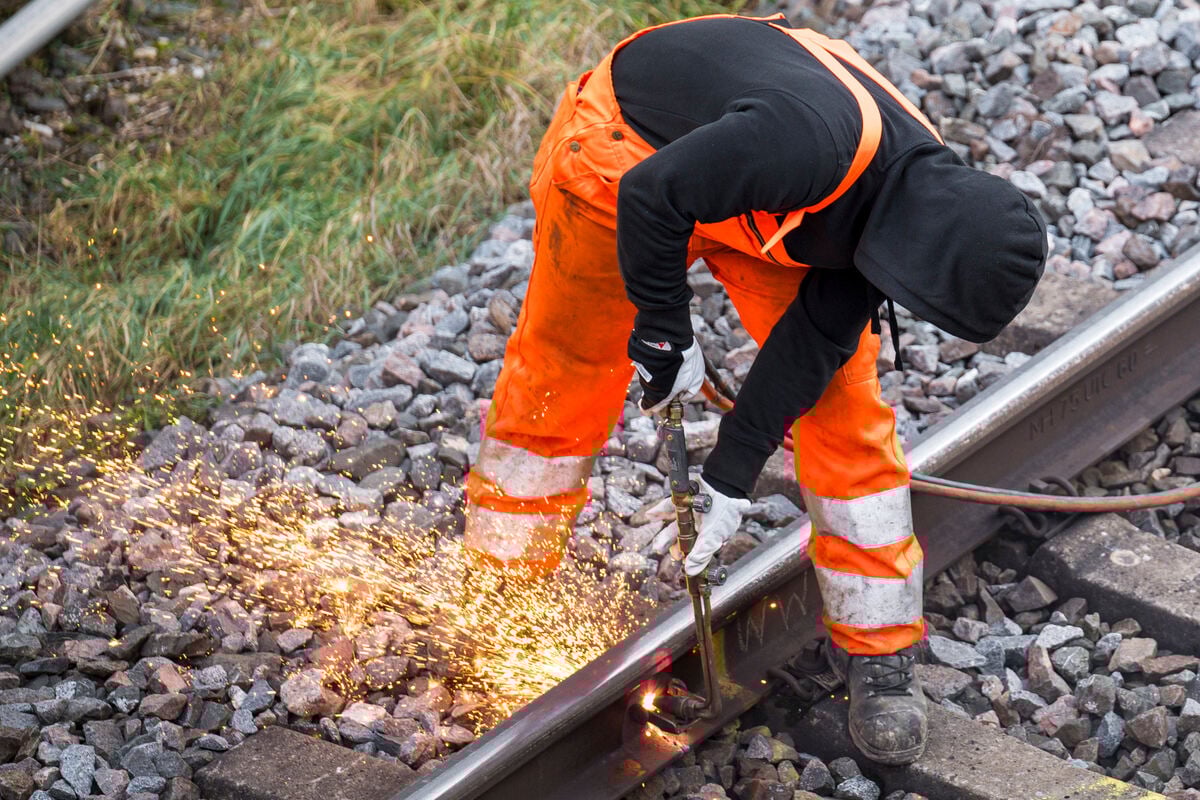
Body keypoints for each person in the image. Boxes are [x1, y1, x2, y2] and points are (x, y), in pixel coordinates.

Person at [462, 12, 1047, 764]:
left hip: (763, 186)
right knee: (567, 374)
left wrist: (732, 471)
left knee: (846, 409)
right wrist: (667, 334)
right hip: (628, 154)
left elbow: (813, 347)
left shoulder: (917, 209)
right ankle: (501, 593)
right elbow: (651, 196)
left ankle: (880, 646)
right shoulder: (806, 144)